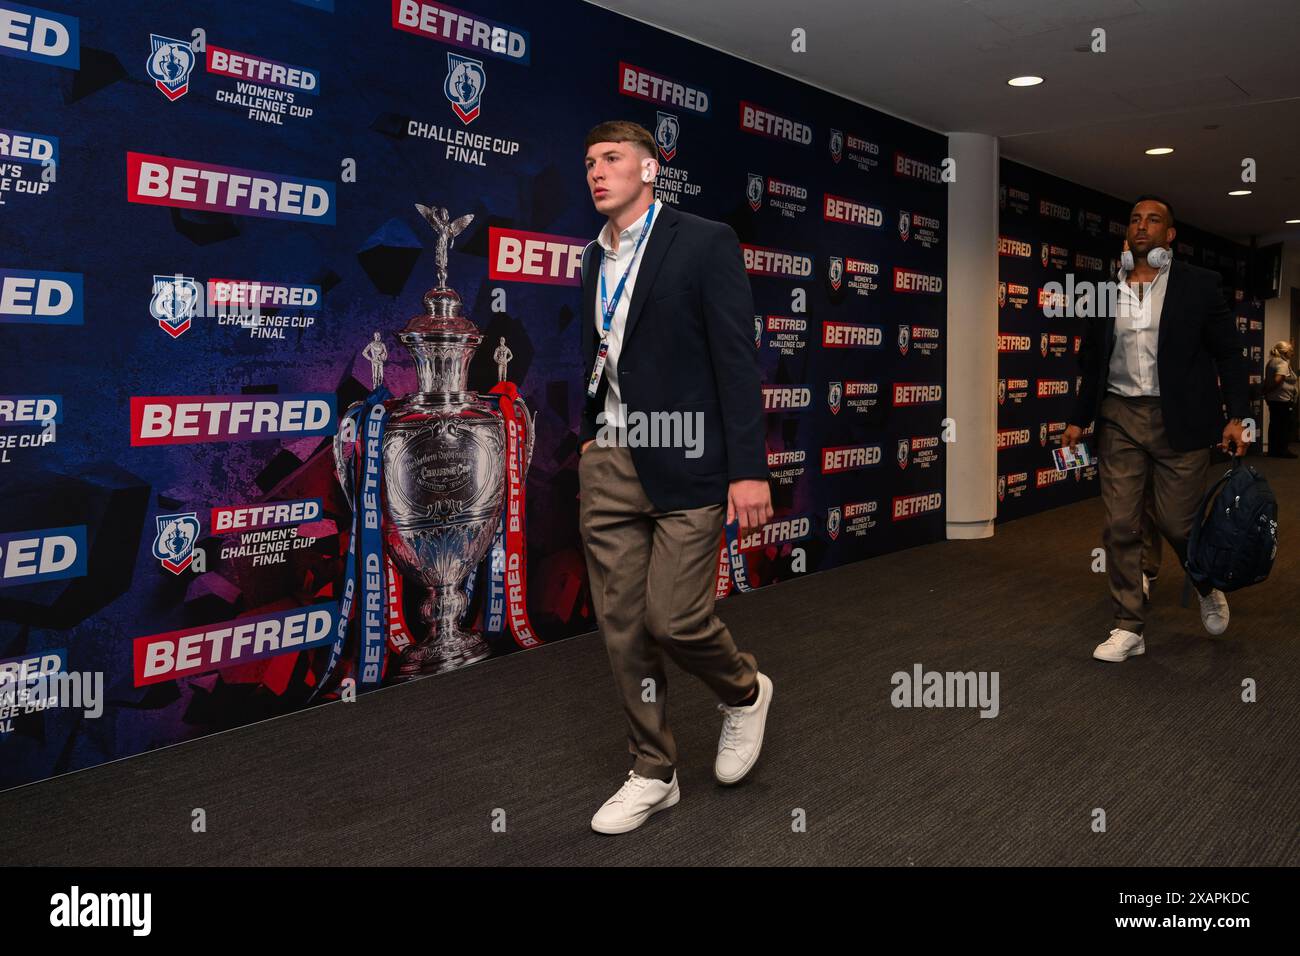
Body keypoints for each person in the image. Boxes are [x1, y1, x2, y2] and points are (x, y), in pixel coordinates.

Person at [576, 120, 774, 834]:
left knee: (675, 618)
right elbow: (603, 356)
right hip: (610, 460)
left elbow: (735, 360)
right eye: (591, 162)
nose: (598, 171)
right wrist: (593, 439)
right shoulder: (591, 259)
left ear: (651, 169)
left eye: (613, 159)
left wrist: (748, 471)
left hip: (688, 457)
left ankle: (745, 692)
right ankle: (653, 770)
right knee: (624, 628)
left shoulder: (704, 240)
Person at [1062, 196, 1250, 662]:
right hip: (1120, 417)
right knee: (1121, 524)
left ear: (1170, 236)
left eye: (1153, 220)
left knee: (1176, 523)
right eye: (1134, 220)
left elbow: (1229, 354)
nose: (1141, 226)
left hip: (1179, 418)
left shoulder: (1200, 286)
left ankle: (1205, 583)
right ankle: (1129, 625)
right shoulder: (1108, 289)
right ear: (1127, 234)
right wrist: (1077, 418)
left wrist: (1237, 416)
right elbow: (1093, 360)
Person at [1264, 341, 1298, 458]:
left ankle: (1273, 451)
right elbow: (1278, 380)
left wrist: (1267, 393)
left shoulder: (1271, 361)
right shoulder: (1282, 363)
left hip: (1274, 399)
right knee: (1284, 426)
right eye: (1291, 351)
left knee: (1274, 425)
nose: (1293, 353)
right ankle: (1282, 450)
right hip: (1282, 400)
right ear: (1285, 351)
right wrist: (1268, 390)